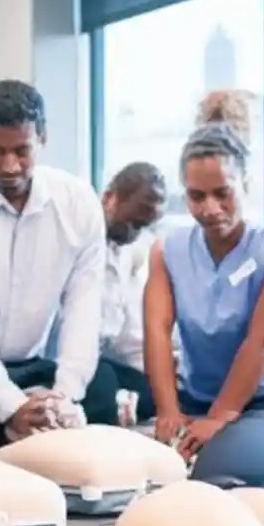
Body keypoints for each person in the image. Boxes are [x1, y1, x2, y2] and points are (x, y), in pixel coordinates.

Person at [0, 79, 110, 451]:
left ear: (43, 138)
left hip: (34, 366)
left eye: (22, 150)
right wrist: (9, 406)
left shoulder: (77, 203)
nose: (9, 166)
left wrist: (64, 396)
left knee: (104, 399)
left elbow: (83, 308)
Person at [144, 116, 264, 489]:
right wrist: (169, 411)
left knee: (214, 476)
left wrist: (221, 417)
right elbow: (156, 330)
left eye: (223, 193)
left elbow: (259, 342)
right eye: (197, 196)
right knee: (154, 474)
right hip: (193, 400)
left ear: (245, 185)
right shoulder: (167, 250)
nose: (210, 208)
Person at [98, 162, 168, 424]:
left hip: (105, 359)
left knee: (155, 393)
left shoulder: (130, 250)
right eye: (133, 223)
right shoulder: (76, 240)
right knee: (102, 384)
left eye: (143, 226)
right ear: (109, 198)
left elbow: (125, 335)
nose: (135, 233)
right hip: (65, 359)